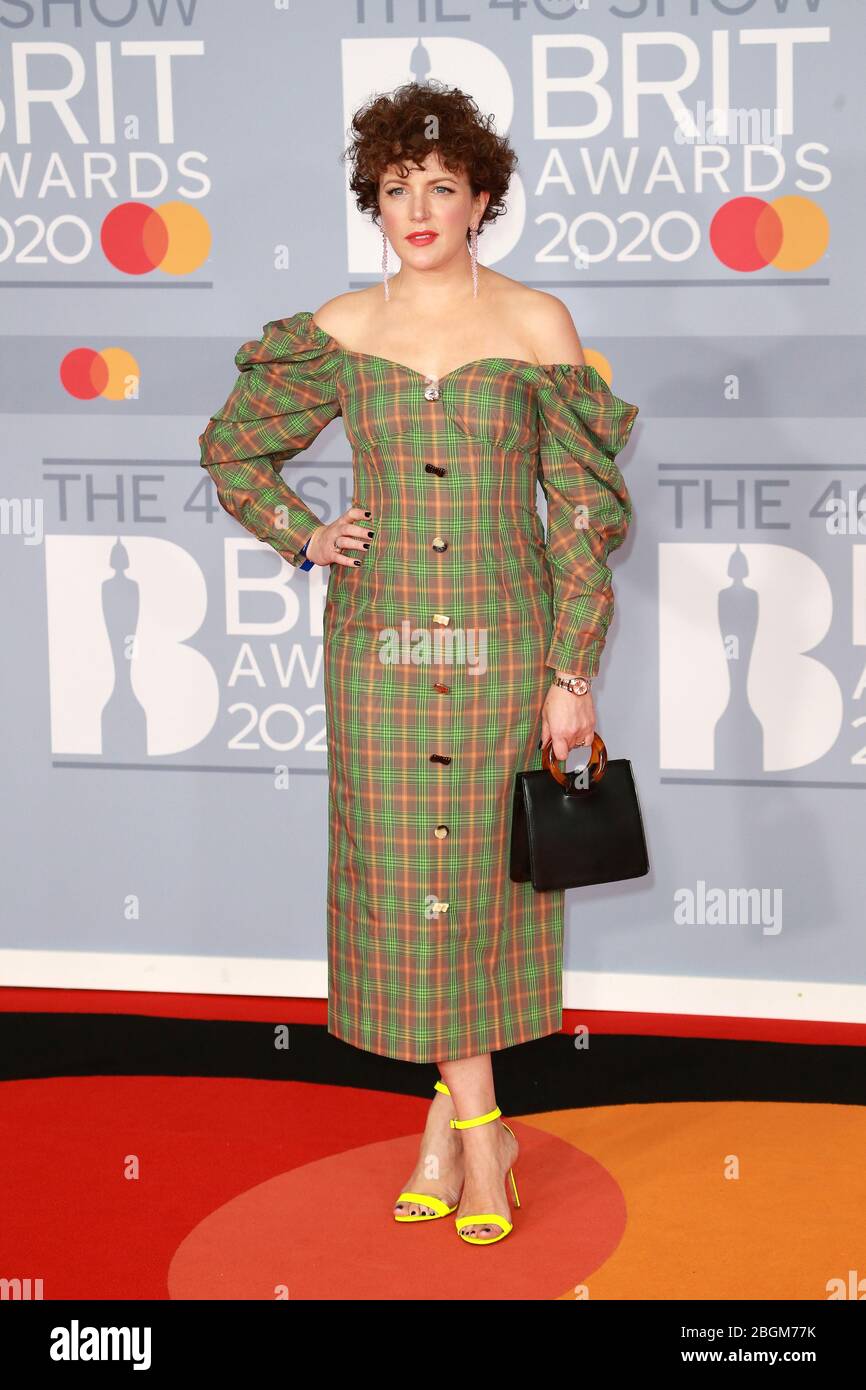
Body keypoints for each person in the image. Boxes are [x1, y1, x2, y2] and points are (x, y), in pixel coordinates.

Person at [198, 80, 639, 1246]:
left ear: (481, 196)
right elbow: (231, 447)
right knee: (408, 897)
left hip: (506, 658)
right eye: (395, 189)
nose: (416, 209)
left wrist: (570, 669)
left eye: (440, 187)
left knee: (486, 898)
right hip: (380, 661)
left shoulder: (536, 325)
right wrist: (304, 529)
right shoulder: (340, 330)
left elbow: (587, 511)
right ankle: (478, 1132)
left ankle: (458, 1127)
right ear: (373, 202)